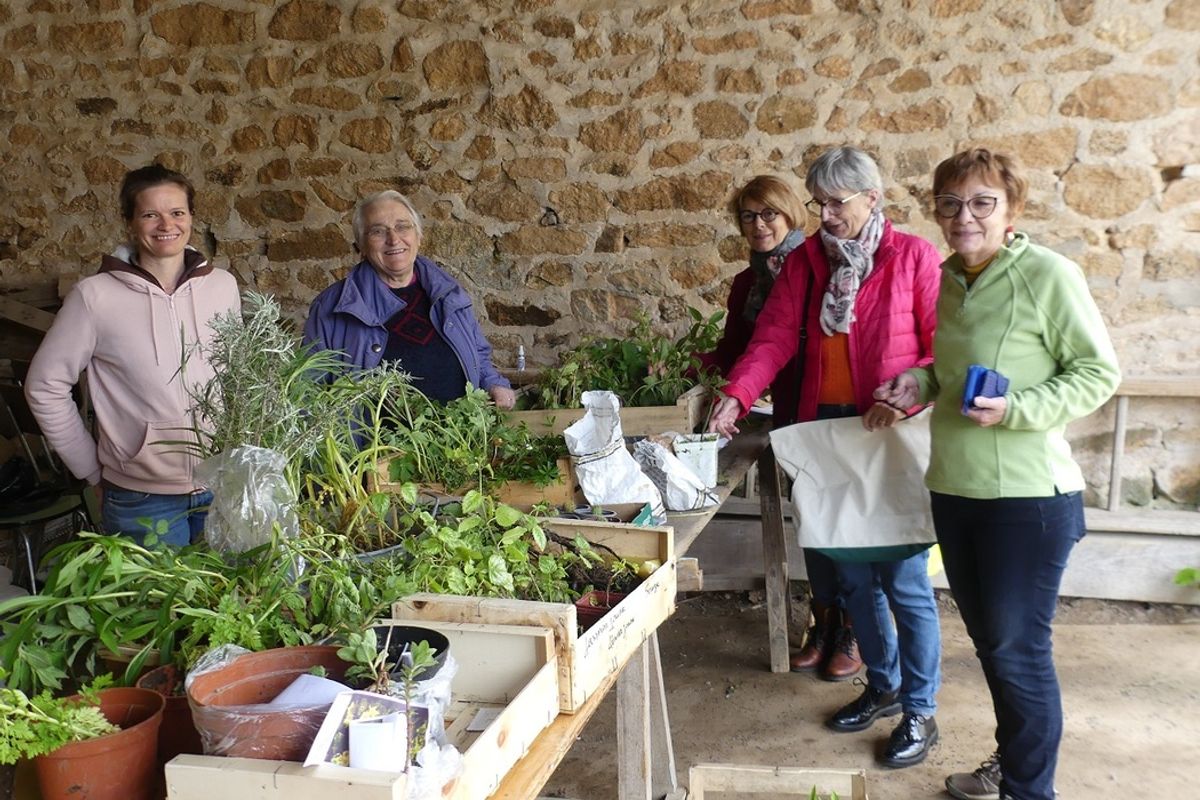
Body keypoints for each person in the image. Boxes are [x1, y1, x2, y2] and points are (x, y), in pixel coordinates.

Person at [876, 148, 1120, 800]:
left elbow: (1098, 372)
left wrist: (1018, 410)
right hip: (956, 490)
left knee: (1019, 652)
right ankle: (1012, 766)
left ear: (1012, 209)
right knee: (991, 647)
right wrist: (918, 382)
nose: (965, 216)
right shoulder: (950, 279)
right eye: (951, 203)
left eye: (983, 202)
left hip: (1028, 499)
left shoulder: (1048, 274)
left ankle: (1028, 790)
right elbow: (951, 370)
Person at [709, 146, 944, 768]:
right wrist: (738, 393)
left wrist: (910, 390)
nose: (827, 215)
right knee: (852, 578)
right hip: (827, 433)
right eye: (819, 204)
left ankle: (920, 709)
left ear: (873, 197)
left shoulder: (913, 256)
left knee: (904, 581)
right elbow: (773, 338)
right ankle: (883, 686)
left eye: (838, 203)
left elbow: (940, 349)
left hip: (888, 432)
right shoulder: (807, 262)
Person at [696, 174, 861, 681]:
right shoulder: (746, 284)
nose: (759, 224)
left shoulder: (818, 268)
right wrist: (691, 372)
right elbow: (736, 350)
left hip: (838, 411)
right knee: (812, 522)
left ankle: (854, 631)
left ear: (792, 214)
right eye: (748, 216)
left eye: (769, 213)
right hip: (792, 415)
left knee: (850, 528)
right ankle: (822, 628)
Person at [25, 164, 241, 547]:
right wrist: (91, 469)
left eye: (177, 212)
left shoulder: (222, 287)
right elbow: (44, 387)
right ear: (129, 222)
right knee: (154, 591)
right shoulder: (94, 297)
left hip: (219, 485)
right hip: (141, 499)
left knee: (225, 586)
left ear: (191, 216)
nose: (166, 224)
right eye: (150, 214)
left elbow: (239, 376)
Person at [304, 190, 514, 409]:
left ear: (418, 237)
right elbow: (309, 388)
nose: (394, 239)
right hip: (374, 433)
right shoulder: (332, 307)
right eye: (378, 231)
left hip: (457, 428)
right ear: (362, 246)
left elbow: (478, 356)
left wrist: (493, 383)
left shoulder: (449, 293)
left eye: (402, 227)